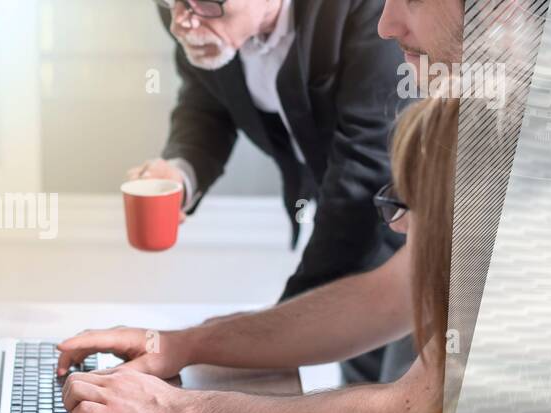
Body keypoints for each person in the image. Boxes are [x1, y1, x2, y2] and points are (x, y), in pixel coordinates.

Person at [58, 0, 471, 413]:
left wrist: (176, 411)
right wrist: (180, 344)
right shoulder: (464, 113)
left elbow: (410, 407)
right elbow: (388, 293)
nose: (388, 26)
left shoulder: (496, 158)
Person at [135, 0, 414, 384]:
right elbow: (207, 100)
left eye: (203, 3)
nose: (181, 22)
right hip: (344, 215)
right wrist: (180, 172)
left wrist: (273, 330)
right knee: (360, 372)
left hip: (407, 219)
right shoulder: (196, 13)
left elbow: (364, 172)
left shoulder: (367, 12)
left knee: (411, 387)